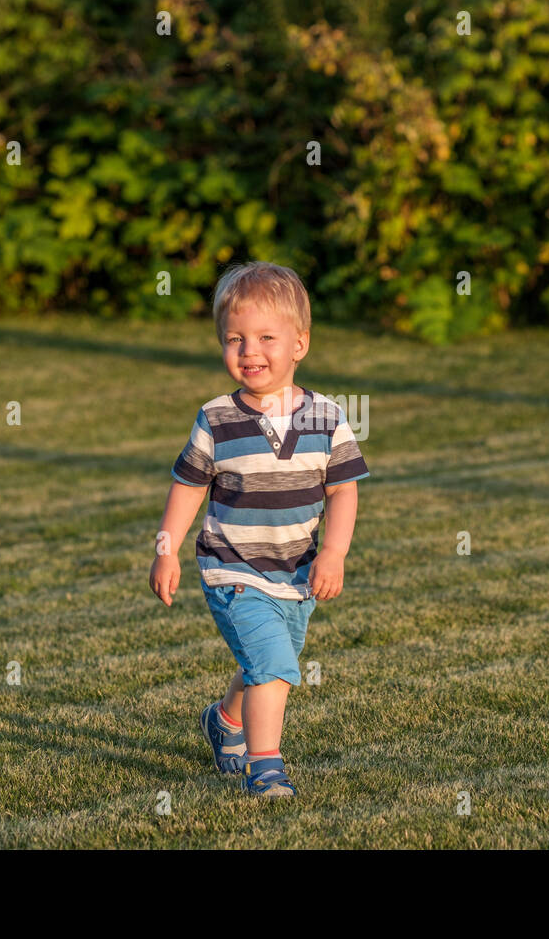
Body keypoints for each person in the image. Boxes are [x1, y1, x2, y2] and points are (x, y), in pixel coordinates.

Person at [149, 261, 369, 797]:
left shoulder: (326, 416)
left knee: (268, 660)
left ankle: (225, 721)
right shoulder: (217, 419)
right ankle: (264, 765)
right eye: (235, 339)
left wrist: (334, 554)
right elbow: (189, 486)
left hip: (295, 572)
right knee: (272, 664)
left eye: (267, 338)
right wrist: (167, 549)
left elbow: (342, 490)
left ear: (299, 344)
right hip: (232, 568)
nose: (250, 352)